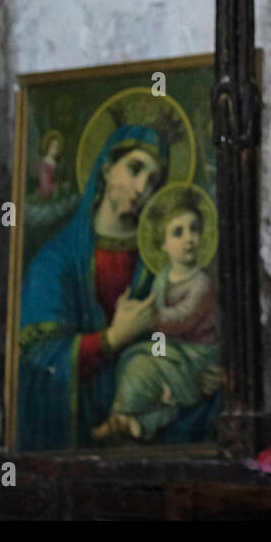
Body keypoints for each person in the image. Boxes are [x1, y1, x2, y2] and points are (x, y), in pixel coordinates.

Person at [17, 122, 220, 449]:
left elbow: (183, 337)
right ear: (107, 168)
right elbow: (37, 362)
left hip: (150, 405)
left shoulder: (162, 264)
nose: (142, 187)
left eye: (153, 181)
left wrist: (202, 373)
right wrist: (113, 338)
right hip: (78, 426)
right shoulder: (55, 262)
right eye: (135, 169)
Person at [92, 188, 221, 442]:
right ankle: (129, 420)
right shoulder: (162, 278)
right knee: (133, 360)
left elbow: (181, 319)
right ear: (163, 244)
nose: (189, 238)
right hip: (170, 349)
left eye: (194, 229)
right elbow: (160, 325)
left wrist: (147, 318)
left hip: (196, 356)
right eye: (178, 232)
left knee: (145, 366)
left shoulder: (201, 284)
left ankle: (125, 416)